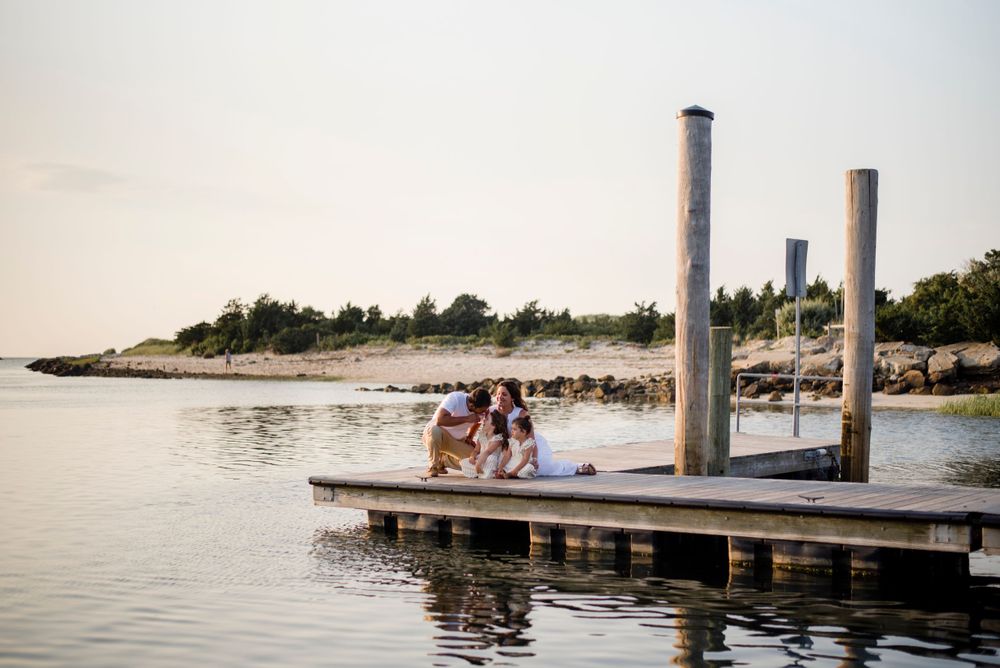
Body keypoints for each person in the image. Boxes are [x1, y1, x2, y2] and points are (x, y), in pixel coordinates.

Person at [490, 380, 596, 477]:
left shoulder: (521, 414)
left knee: (541, 469)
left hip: (525, 448)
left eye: (504, 394)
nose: (499, 397)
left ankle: (575, 467)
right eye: (498, 394)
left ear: (512, 398)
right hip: (504, 450)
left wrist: (534, 459)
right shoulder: (491, 411)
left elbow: (531, 440)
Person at [422, 387, 491, 477]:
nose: (484, 412)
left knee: (477, 461)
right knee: (435, 430)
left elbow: (478, 422)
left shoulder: (481, 410)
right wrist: (467, 419)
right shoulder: (455, 398)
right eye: (482, 410)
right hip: (437, 435)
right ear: (472, 406)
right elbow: (440, 420)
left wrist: (470, 436)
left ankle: (443, 461)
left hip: (456, 441)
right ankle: (433, 466)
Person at [460, 410, 509, 479]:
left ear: (493, 425)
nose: (484, 420)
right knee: (463, 462)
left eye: (487, 419)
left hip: (491, 461)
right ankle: (482, 472)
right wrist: (472, 457)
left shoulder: (497, 438)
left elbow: (487, 452)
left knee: (491, 458)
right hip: (481, 460)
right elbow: (476, 450)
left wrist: (478, 464)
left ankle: (489, 472)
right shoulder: (482, 435)